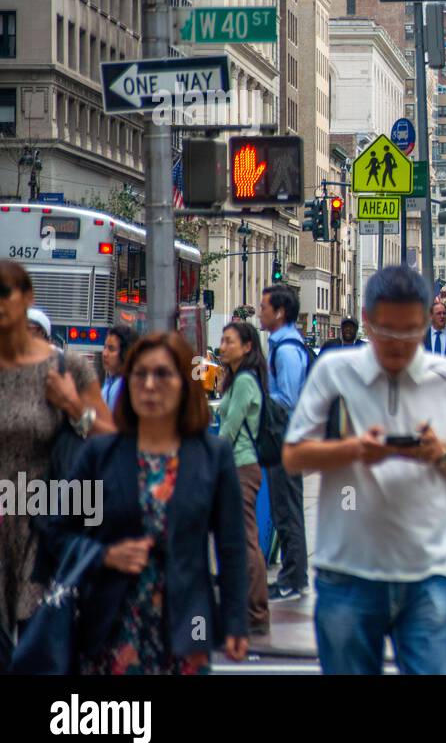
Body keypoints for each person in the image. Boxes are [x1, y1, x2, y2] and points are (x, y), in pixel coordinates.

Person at [283, 265, 446, 675]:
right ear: (366, 320)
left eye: (410, 331)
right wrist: (354, 450)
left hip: (425, 572)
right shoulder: (335, 369)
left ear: (427, 321)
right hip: (347, 572)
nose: (399, 344)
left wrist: (439, 453)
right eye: (387, 331)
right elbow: (294, 455)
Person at [41, 331, 249, 674]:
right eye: (140, 374)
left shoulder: (212, 456)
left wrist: (236, 620)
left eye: (163, 374)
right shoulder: (101, 455)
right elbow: (56, 530)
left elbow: (232, 546)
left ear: (185, 384)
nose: (150, 385)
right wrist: (105, 555)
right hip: (110, 628)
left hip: (187, 628)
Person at [0, 261, 113, 666]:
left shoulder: (68, 368)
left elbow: (110, 438)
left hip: (44, 518)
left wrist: (72, 404)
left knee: (39, 635)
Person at [217, 320, 270, 636]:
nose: (222, 347)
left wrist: (208, 458)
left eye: (229, 341)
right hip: (237, 466)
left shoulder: (245, 381)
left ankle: (256, 612)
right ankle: (246, 608)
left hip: (241, 466)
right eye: (222, 341)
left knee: (247, 539)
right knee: (240, 538)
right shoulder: (238, 379)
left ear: (247, 347)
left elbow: (229, 429)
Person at [258, 284, 310, 602]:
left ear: (279, 312)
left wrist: (260, 397)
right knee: (284, 509)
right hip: (284, 438)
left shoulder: (287, 350)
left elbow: (289, 399)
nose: (259, 312)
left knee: (287, 510)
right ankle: (294, 575)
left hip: (286, 440)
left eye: (264, 307)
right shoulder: (281, 344)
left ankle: (293, 577)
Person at [100, 324, 137, 412]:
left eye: (111, 349)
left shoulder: (128, 387)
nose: (104, 353)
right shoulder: (109, 382)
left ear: (126, 352)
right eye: (105, 347)